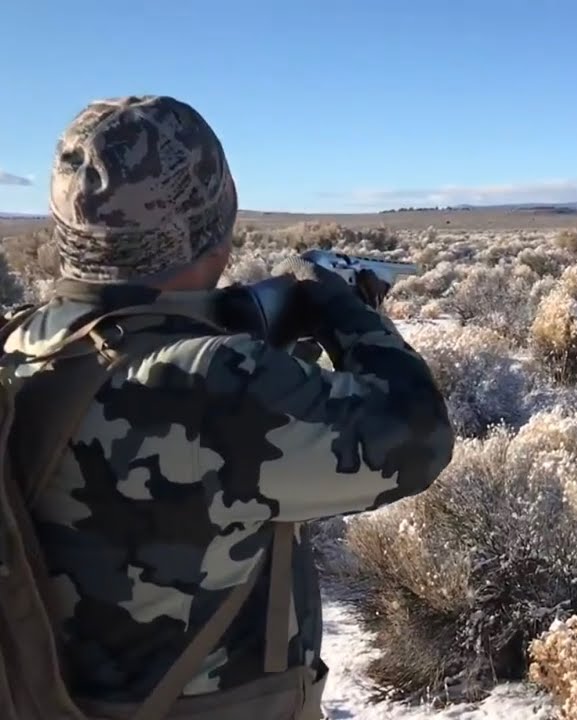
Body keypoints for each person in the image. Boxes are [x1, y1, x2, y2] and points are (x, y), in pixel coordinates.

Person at [0, 95, 454, 718]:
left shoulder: (21, 343)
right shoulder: (207, 380)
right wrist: (344, 313)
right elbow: (418, 436)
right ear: (214, 227)